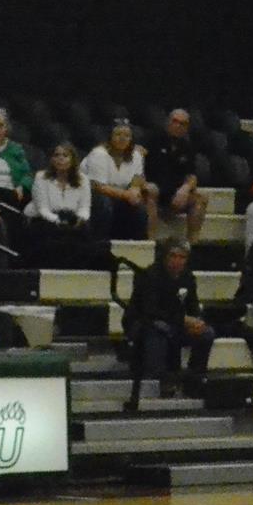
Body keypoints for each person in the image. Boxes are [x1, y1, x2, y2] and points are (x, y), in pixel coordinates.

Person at [123, 238, 212, 406]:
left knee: (206, 333)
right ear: (165, 256)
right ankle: (161, 376)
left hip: (175, 323)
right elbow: (150, 311)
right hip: (145, 322)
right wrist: (183, 320)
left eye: (182, 257)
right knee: (161, 328)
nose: (177, 261)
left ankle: (194, 378)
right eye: (173, 256)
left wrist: (197, 321)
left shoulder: (188, 277)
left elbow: (193, 306)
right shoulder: (150, 275)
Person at [24, 142, 98, 266]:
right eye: (57, 155)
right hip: (42, 218)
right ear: (52, 159)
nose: (60, 158)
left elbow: (84, 208)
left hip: (70, 217)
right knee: (53, 232)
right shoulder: (41, 177)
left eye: (65, 155)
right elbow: (43, 210)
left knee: (84, 228)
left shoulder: (83, 179)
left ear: (73, 159)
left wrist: (80, 219)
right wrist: (58, 221)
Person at [83, 121, 154, 240]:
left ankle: (139, 246)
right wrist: (127, 194)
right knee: (104, 203)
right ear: (110, 137)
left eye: (126, 136)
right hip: (93, 195)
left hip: (120, 196)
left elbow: (137, 179)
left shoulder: (136, 155)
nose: (122, 138)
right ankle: (100, 242)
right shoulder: (98, 154)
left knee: (140, 207)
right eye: (118, 134)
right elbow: (98, 186)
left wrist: (134, 192)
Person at [146, 109, 207, 242]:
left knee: (200, 199)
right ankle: (150, 242)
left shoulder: (187, 147)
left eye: (183, 124)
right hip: (152, 191)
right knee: (151, 190)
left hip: (175, 195)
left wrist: (185, 189)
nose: (178, 126)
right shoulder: (152, 139)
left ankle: (192, 244)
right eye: (175, 121)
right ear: (168, 122)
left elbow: (192, 175)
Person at [0, 109, 33, 211]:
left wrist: (21, 186)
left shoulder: (16, 149)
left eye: (1, 125)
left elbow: (28, 175)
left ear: (6, 128)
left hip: (14, 194)